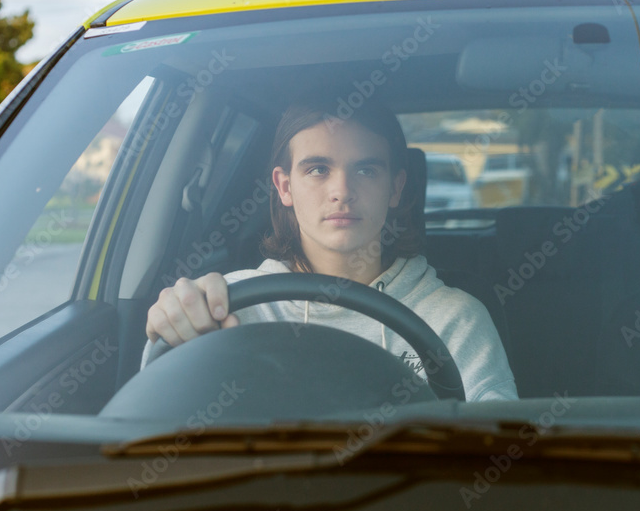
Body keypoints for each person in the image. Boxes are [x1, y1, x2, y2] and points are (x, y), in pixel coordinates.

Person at [142, 97, 518, 402]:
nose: (342, 190)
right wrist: (174, 325)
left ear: (396, 188)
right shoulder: (231, 306)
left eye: (366, 170)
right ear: (284, 187)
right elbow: (158, 419)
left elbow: (501, 463)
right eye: (318, 169)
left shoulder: (455, 320)